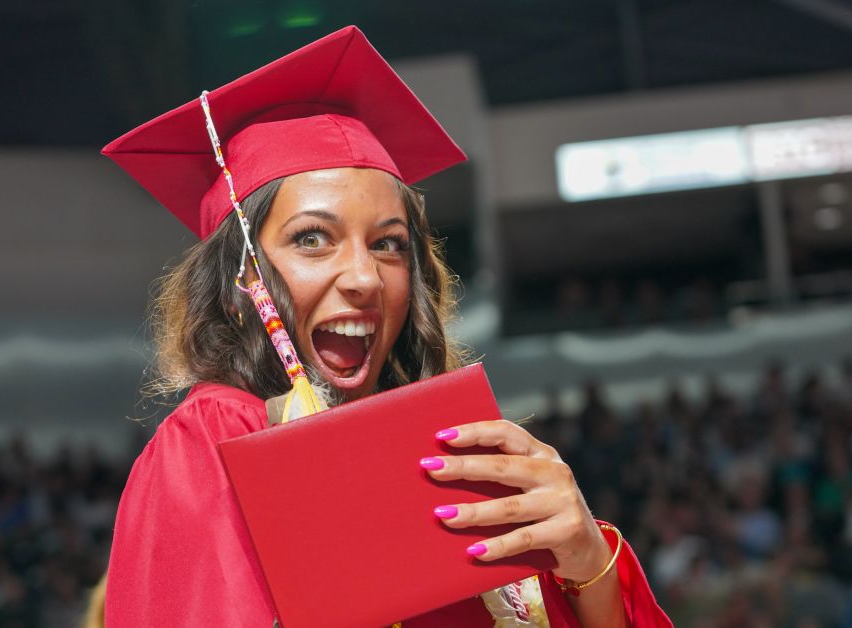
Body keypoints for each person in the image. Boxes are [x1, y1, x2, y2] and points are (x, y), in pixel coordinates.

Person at [102, 26, 670, 627]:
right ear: (240, 281)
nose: (366, 278)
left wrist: (587, 568)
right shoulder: (218, 441)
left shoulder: (453, 463)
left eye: (389, 244)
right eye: (312, 239)